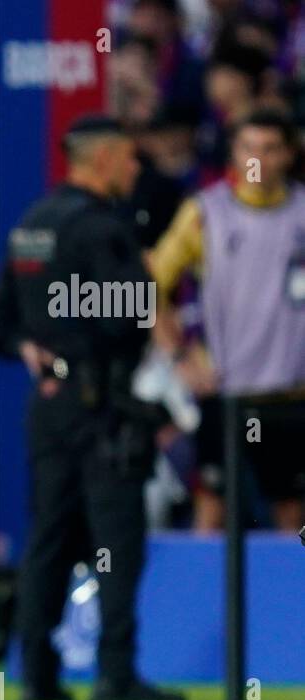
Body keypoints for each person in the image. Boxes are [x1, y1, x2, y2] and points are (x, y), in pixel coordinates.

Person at [0, 115, 183, 700]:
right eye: (128, 159)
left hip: (49, 406)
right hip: (103, 405)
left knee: (48, 536)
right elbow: (129, 318)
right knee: (116, 539)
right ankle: (115, 675)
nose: (134, 170)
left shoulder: (32, 226)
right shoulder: (102, 229)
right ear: (102, 161)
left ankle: (38, 676)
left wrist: (34, 346)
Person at [150, 108, 305, 533]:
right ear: (233, 153)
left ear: (289, 154)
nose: (258, 159)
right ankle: (206, 601)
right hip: (227, 393)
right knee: (212, 508)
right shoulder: (205, 213)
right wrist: (180, 356)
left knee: (292, 515)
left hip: (291, 396)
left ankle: (290, 601)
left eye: (270, 149)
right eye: (248, 148)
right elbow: (150, 286)